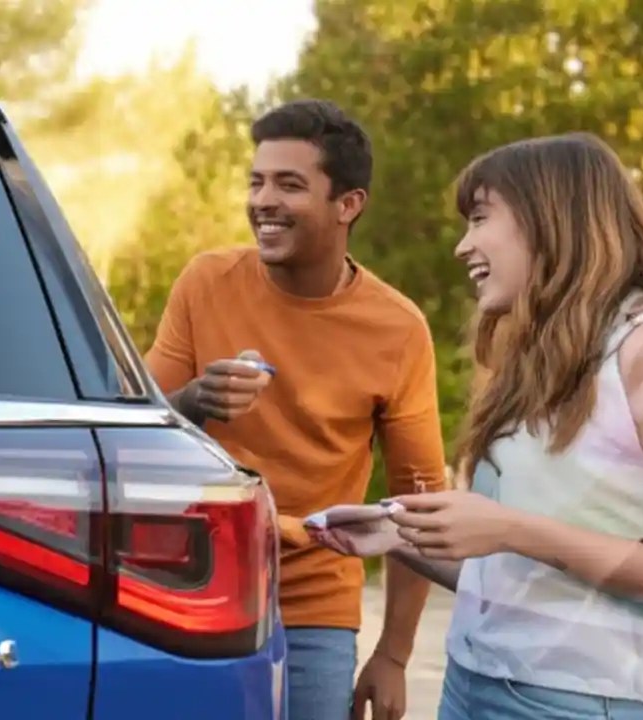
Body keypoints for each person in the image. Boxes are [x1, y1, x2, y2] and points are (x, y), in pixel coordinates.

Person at [314, 132, 643, 718]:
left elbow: (520, 535)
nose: (463, 246)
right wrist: (405, 538)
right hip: (471, 684)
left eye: (480, 218)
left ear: (552, 220)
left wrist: (509, 529)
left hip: (582, 702)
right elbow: (521, 567)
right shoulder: (537, 362)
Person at [144, 98, 448, 720]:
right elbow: (139, 428)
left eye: (289, 184)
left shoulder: (398, 329)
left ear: (348, 205)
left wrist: (393, 654)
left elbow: (418, 501)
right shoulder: (205, 282)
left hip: (315, 604)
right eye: (257, 182)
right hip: (192, 586)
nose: (263, 201)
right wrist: (196, 400)